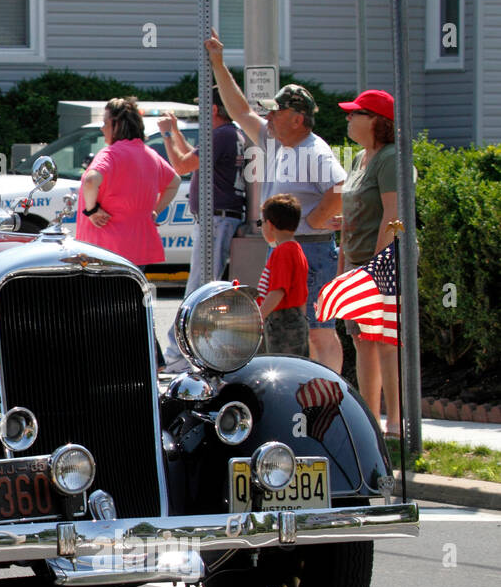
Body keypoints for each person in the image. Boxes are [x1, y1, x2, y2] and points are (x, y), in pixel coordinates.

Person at [205, 29, 346, 373]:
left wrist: (313, 221)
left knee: (318, 332)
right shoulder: (277, 141)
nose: (268, 117)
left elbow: (341, 188)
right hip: (287, 248)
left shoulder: (315, 150)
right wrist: (218, 64)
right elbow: (239, 111)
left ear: (298, 119)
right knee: (297, 331)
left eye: (276, 112)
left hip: (311, 248)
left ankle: (328, 395)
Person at [157, 89, 247, 371]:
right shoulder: (228, 134)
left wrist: (167, 134)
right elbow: (190, 158)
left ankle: (177, 356)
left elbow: (181, 165)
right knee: (203, 289)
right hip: (218, 218)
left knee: (198, 290)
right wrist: (174, 131)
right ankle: (186, 353)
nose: (202, 111)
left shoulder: (222, 136)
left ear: (216, 109)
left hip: (216, 219)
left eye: (205, 106)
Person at [337, 89, 402, 436]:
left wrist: (375, 269)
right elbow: (353, 214)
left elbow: (392, 217)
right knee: (362, 339)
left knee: (385, 341)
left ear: (376, 119)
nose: (348, 118)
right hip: (356, 262)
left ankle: (394, 425)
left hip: (381, 263)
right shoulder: (361, 158)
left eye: (355, 113)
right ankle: (370, 423)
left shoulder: (390, 157)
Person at [75, 96, 181, 266]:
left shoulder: (109, 154)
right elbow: (174, 182)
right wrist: (154, 211)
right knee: (132, 292)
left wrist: (92, 210)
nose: (102, 128)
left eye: (105, 123)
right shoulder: (150, 155)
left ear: (117, 125)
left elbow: (90, 181)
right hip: (139, 250)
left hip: (103, 251)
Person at [255, 194, 309, 357]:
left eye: (261, 223)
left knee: (280, 368)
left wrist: (258, 318)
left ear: (270, 225)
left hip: (282, 323)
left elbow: (278, 291)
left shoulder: (282, 252)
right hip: (295, 319)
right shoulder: (296, 249)